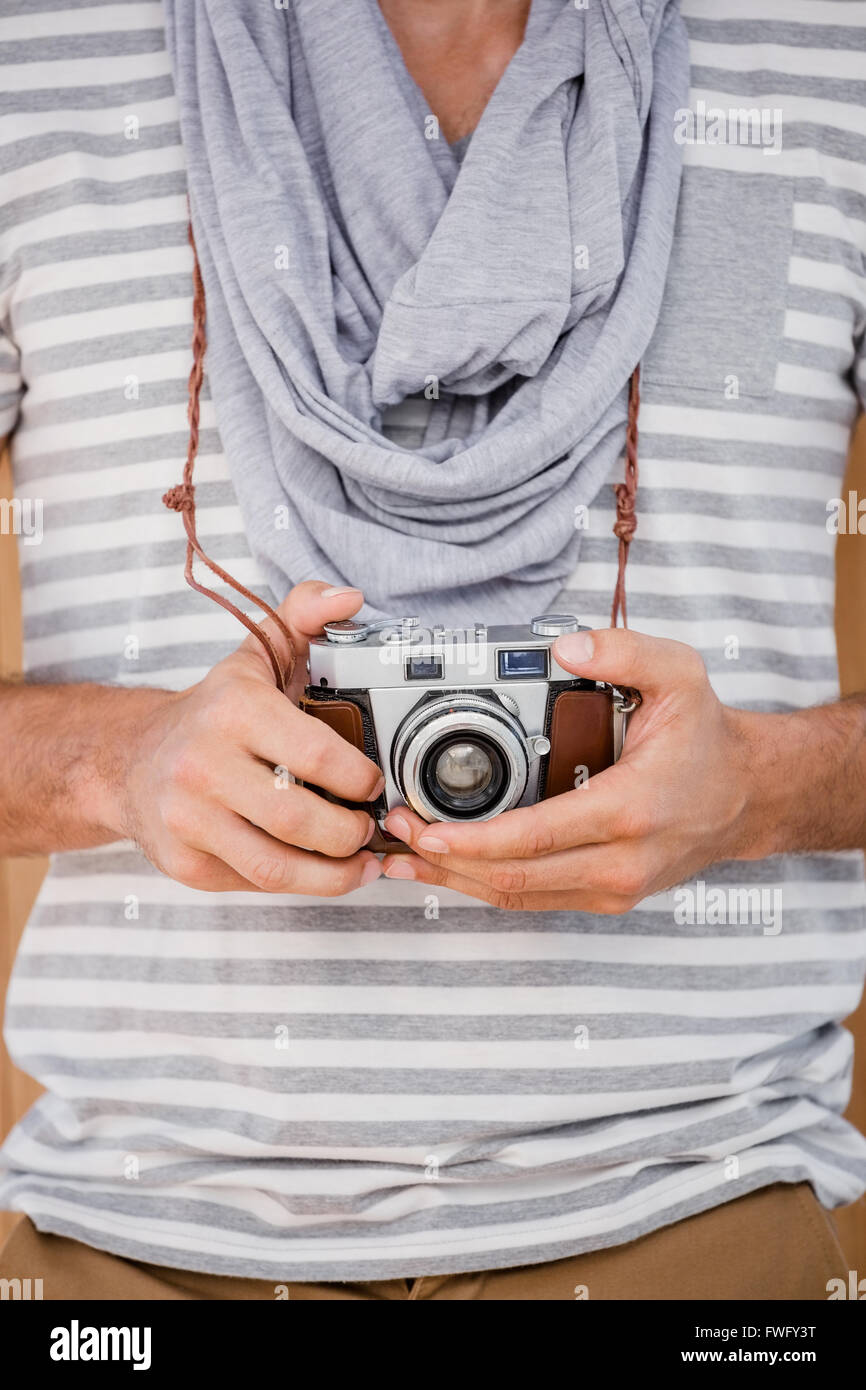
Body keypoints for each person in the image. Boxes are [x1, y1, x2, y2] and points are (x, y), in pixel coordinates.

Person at [0, 0, 863, 1301]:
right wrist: (114, 764)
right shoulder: (31, 60)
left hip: (703, 1206)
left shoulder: (829, 52)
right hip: (137, 1239)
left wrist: (758, 783)